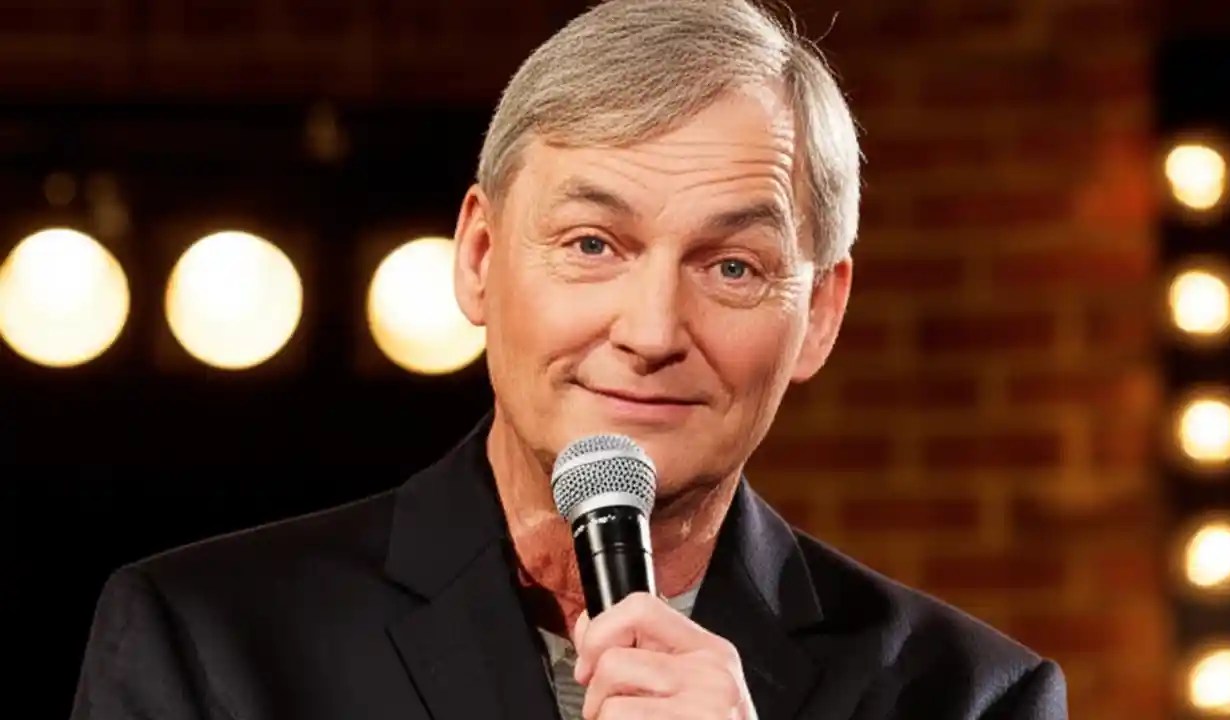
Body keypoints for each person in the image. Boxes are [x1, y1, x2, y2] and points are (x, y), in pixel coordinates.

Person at [71, 1, 1068, 718]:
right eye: (593, 245)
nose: (648, 330)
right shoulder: (210, 642)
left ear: (818, 316)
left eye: (730, 265)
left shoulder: (963, 696)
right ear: (479, 257)